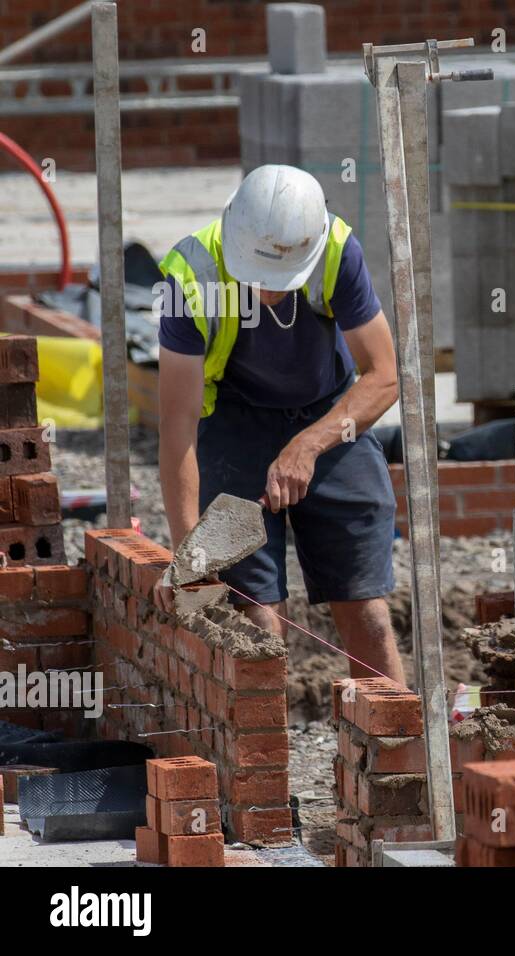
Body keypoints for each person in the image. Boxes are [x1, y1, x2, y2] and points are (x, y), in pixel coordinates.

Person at [153, 164, 404, 682]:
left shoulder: (335, 249)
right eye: (257, 276)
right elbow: (177, 429)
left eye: (280, 280)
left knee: (368, 613)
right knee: (258, 622)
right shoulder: (191, 275)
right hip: (235, 422)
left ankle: (396, 757)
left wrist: (308, 446)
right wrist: (190, 556)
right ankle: (260, 758)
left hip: (331, 417)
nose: (268, 291)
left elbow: (383, 377)